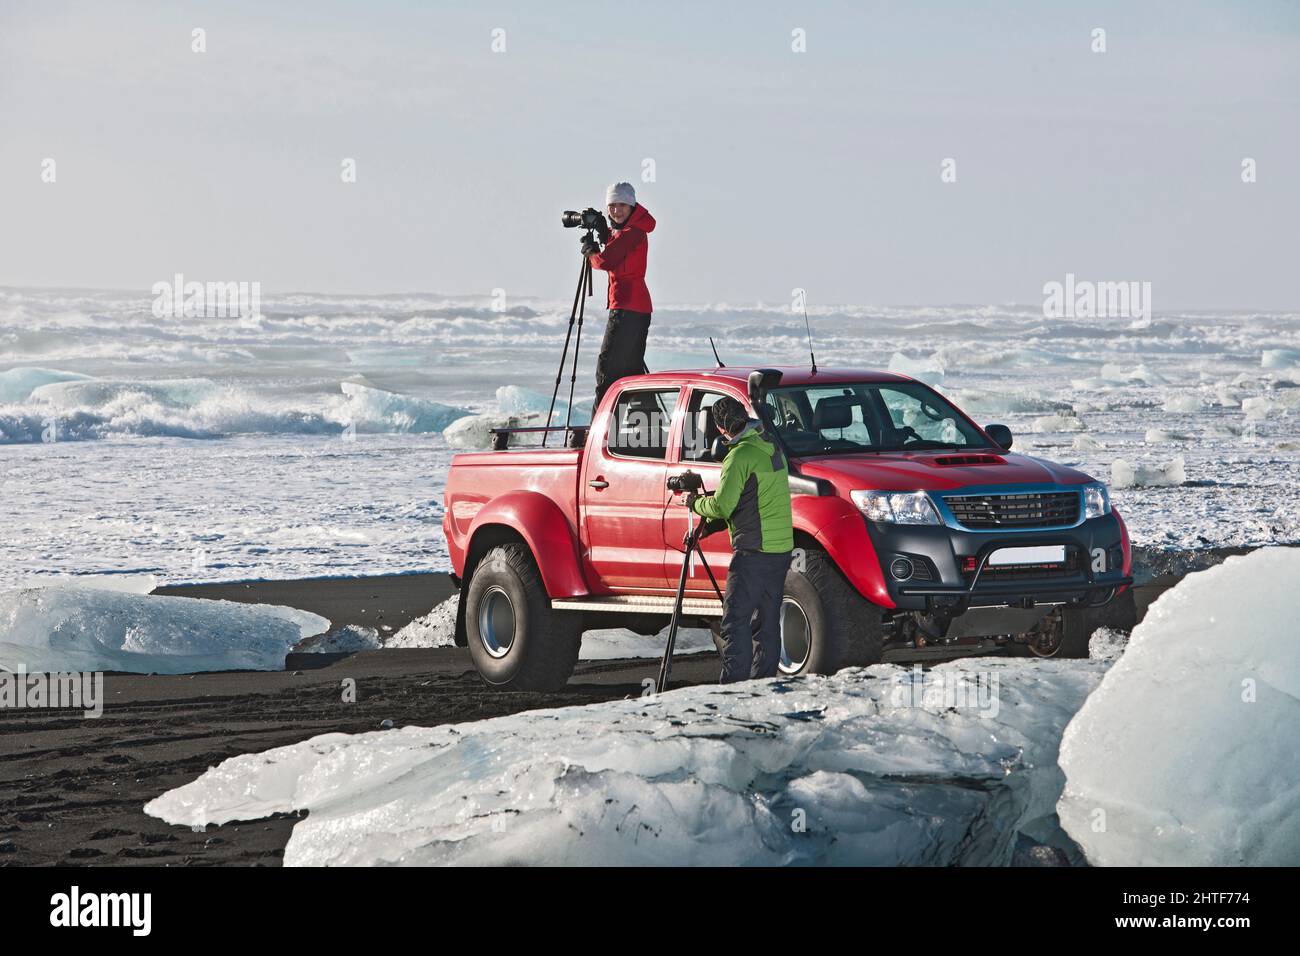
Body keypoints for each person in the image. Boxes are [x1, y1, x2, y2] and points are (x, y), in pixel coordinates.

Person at [684, 395, 794, 683]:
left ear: (721, 430)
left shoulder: (740, 455)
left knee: (735, 621)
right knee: (767, 622)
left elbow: (722, 505)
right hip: (780, 549)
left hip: (753, 551)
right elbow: (748, 501)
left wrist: (694, 503)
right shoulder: (771, 446)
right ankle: (764, 683)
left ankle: (733, 687)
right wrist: (707, 529)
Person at [581, 181, 656, 410]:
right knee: (631, 372)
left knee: (607, 370)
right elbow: (617, 248)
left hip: (627, 307)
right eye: (612, 205)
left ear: (632, 205)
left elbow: (607, 260)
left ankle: (599, 430)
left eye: (622, 204)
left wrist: (591, 252)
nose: (616, 210)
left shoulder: (633, 232)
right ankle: (648, 430)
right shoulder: (629, 230)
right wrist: (605, 232)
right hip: (635, 307)